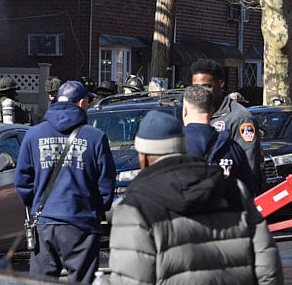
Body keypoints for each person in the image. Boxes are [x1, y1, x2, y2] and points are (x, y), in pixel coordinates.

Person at [107, 110, 282, 285]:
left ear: (143, 157)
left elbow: (132, 279)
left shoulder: (134, 208)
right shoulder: (234, 191)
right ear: (183, 147)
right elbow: (267, 266)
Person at [15, 80, 115, 283]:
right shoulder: (95, 138)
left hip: (45, 224)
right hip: (83, 224)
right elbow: (106, 183)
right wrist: (95, 208)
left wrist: (38, 205)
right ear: (80, 104)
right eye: (88, 101)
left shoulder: (33, 135)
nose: (88, 106)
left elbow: (22, 181)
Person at [190, 58, 264, 194]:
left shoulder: (240, 117)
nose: (201, 92)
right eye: (196, 87)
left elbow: (249, 163)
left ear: (221, 84)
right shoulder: (190, 113)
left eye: (206, 86)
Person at [182, 84, 253, 188]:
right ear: (212, 111)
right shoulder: (233, 148)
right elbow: (247, 190)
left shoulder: (172, 147)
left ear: (185, 111)